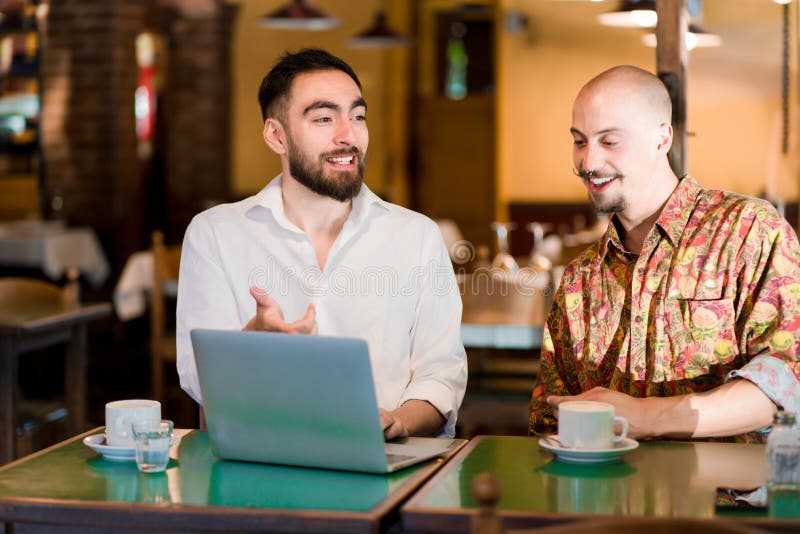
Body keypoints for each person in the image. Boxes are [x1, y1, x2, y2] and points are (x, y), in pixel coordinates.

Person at [176, 48, 467, 439]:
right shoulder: (215, 234)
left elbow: (441, 372)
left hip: (392, 468)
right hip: (260, 473)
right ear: (276, 135)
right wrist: (250, 345)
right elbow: (197, 374)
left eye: (358, 116)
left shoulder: (417, 236)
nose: (348, 135)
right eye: (324, 118)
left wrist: (397, 422)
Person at [529, 65, 800, 442]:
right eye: (579, 141)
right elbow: (551, 417)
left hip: (726, 497)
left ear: (662, 139)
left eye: (609, 142)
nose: (588, 162)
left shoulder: (748, 231)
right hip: (606, 496)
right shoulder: (580, 279)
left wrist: (645, 417)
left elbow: (788, 380)